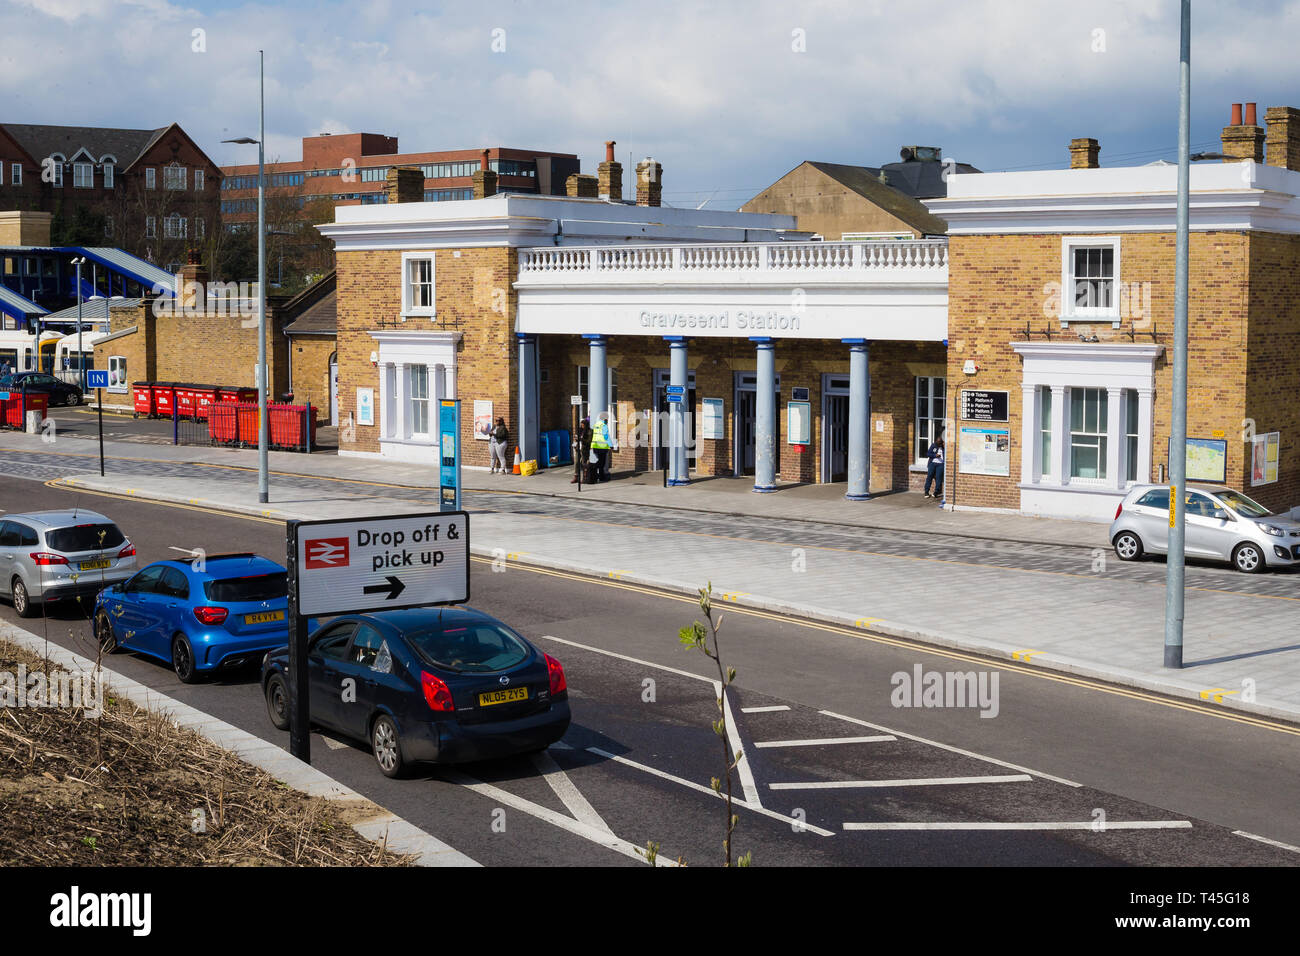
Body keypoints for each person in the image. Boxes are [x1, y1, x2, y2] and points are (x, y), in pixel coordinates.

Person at [591, 412, 612, 482]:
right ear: (604, 419)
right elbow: (606, 437)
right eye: (607, 419)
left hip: (596, 446)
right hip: (602, 447)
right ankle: (593, 468)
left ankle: (601, 476)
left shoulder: (596, 425)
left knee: (600, 461)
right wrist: (610, 445)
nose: (607, 420)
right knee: (602, 463)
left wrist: (592, 445)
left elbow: (594, 436)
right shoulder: (604, 426)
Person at [572, 417, 593, 484]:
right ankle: (576, 477)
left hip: (585, 449)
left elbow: (589, 441)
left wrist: (581, 439)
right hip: (578, 448)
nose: (582, 426)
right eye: (581, 425)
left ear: (586, 425)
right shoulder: (580, 430)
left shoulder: (590, 431)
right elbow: (576, 437)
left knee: (584, 463)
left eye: (583, 425)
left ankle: (584, 478)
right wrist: (576, 439)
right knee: (576, 462)